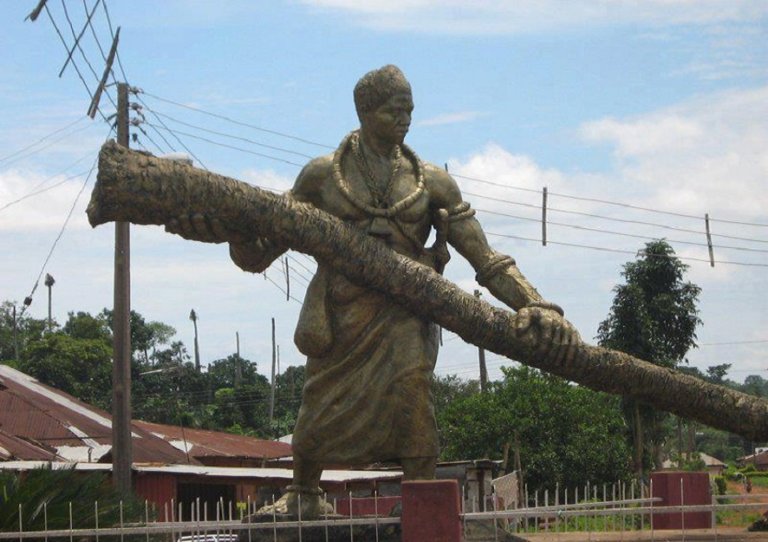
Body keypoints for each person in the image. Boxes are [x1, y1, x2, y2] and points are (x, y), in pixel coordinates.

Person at [170, 65, 580, 518]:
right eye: (393, 111)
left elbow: (486, 259)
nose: (404, 120)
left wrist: (535, 304)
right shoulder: (323, 177)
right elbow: (260, 252)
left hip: (408, 312)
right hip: (341, 313)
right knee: (320, 397)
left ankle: (421, 496)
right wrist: (227, 230)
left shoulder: (432, 182)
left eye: (409, 111)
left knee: (413, 391)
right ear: (364, 112)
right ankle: (304, 492)